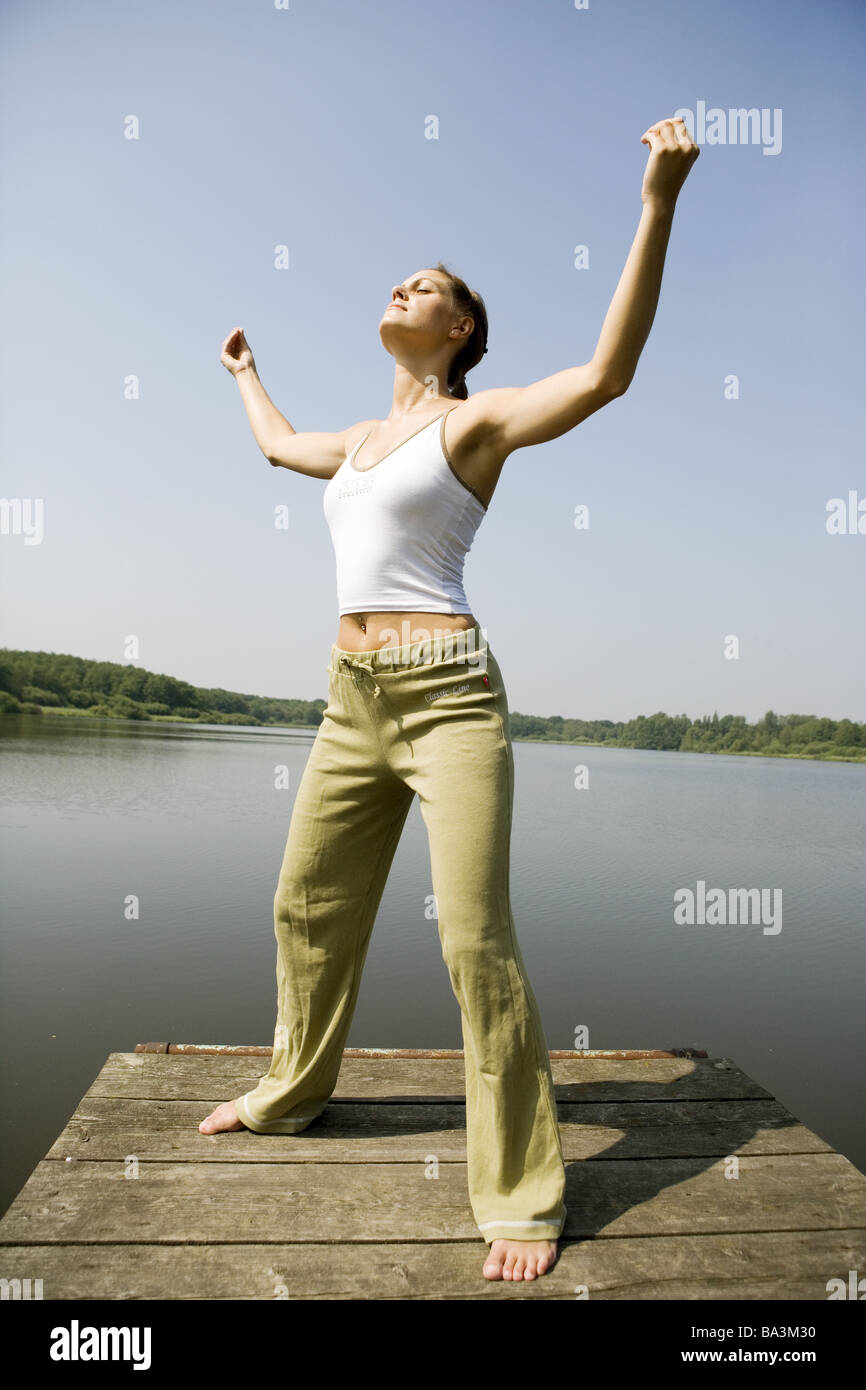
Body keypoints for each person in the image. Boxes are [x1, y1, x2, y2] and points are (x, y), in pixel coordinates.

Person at [201, 117, 700, 1283]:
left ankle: (522, 1194)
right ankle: (291, 1088)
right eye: (400, 277)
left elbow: (604, 375)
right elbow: (278, 451)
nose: (402, 285)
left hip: (449, 697)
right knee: (304, 905)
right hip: (347, 700)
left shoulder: (472, 423)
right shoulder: (361, 439)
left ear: (458, 327)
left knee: (473, 941)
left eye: (424, 284)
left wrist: (655, 201)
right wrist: (243, 375)